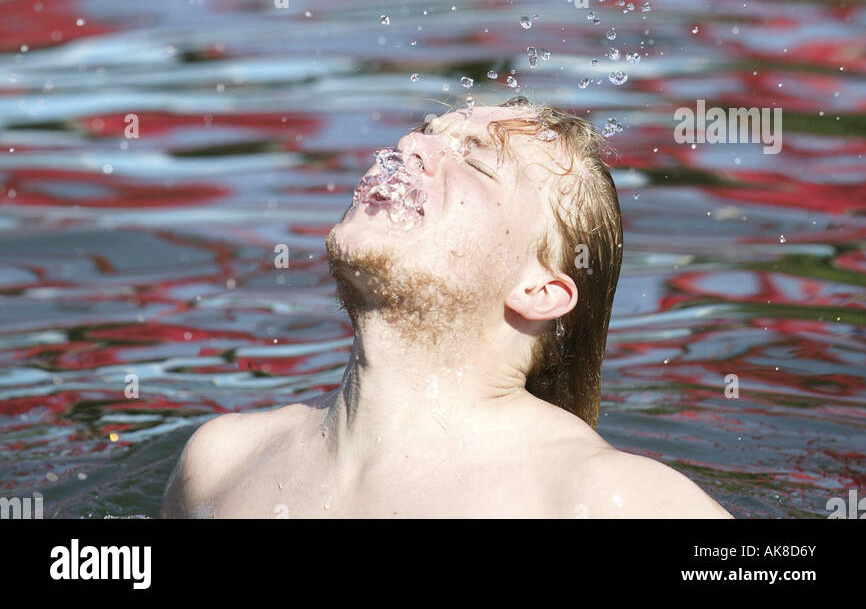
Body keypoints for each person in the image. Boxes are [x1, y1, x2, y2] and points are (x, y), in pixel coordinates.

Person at [162, 97, 731, 519]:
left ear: (539, 291)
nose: (409, 147)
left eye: (477, 162)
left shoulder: (607, 501)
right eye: (424, 133)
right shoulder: (220, 464)